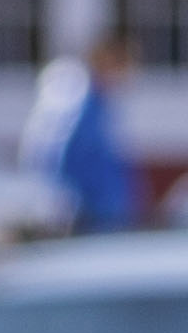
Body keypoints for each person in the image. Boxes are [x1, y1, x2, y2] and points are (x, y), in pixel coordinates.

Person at [25, 26, 142, 235]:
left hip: (107, 215)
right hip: (94, 218)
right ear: (106, 61)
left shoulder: (97, 104)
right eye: (123, 63)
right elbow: (59, 161)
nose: (129, 72)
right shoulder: (81, 107)